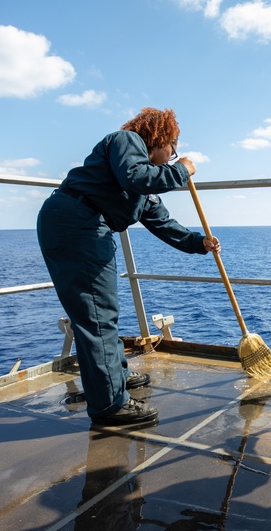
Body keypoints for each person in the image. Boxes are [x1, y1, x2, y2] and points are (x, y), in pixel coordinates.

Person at [37, 108, 220, 426]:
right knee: (96, 315)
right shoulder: (126, 140)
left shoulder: (140, 180)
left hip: (81, 223)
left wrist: (197, 243)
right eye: (172, 148)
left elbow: (162, 223)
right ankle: (110, 404)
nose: (172, 155)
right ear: (161, 139)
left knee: (99, 312)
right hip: (78, 222)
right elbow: (136, 178)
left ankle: (114, 376)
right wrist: (182, 171)